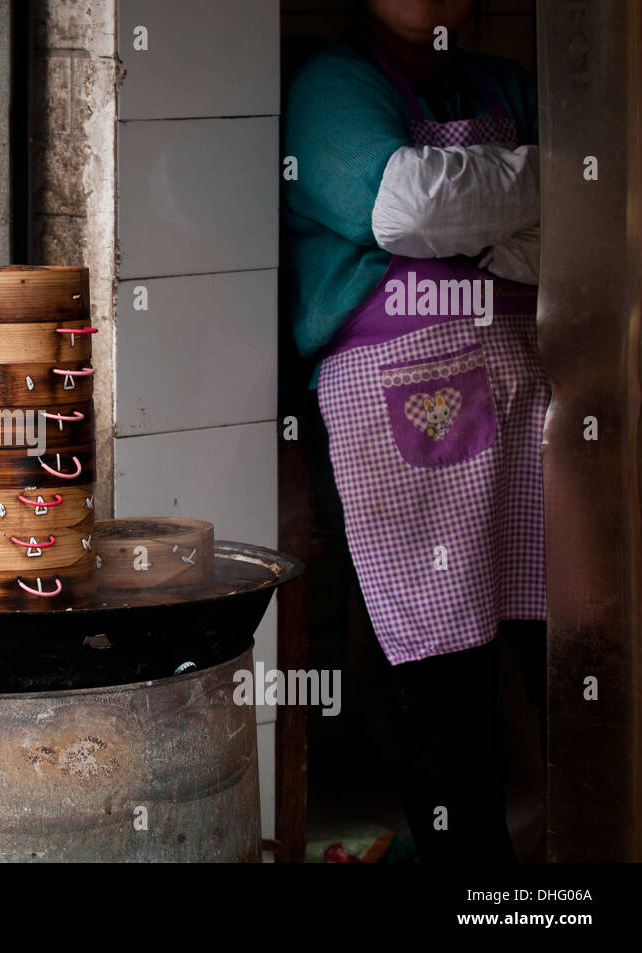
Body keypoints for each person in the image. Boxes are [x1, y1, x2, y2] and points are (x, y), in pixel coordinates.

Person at [283, 0, 547, 861]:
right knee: (443, 667)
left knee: (563, 638)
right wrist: (524, 194)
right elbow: (403, 207)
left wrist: (472, 226)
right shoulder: (334, 90)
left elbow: (593, 206)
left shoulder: (501, 83)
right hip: (399, 411)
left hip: (529, 394)